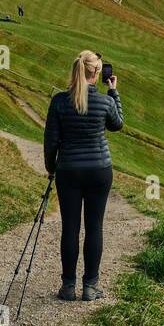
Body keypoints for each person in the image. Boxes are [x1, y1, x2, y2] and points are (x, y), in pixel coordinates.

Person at [43, 50, 122, 302]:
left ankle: (68, 286)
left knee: (70, 227)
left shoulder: (59, 101)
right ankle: (90, 286)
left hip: (68, 170)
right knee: (94, 226)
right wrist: (114, 92)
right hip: (99, 170)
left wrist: (51, 168)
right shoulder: (105, 102)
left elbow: (51, 141)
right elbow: (117, 124)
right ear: (97, 73)